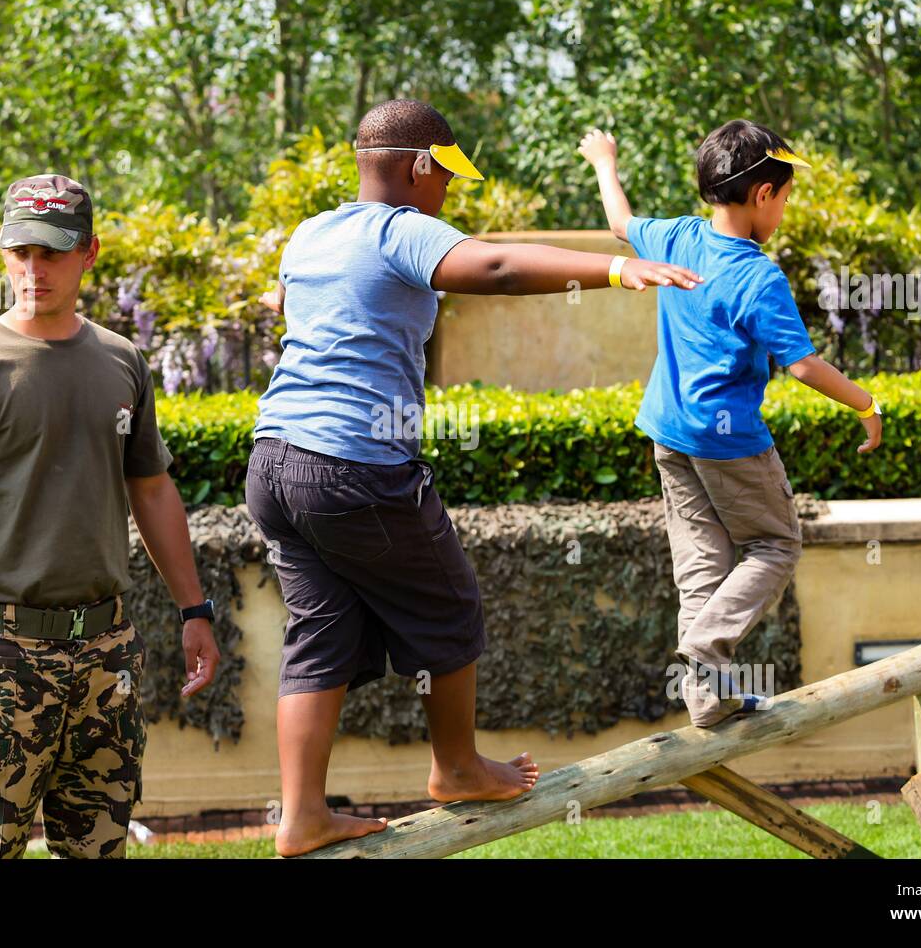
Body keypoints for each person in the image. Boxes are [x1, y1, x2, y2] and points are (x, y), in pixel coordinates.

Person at [247, 98, 703, 856]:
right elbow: (492, 265)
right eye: (446, 176)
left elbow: (292, 306)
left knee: (319, 634)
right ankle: (455, 767)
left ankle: (300, 816)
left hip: (274, 461)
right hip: (350, 463)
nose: (449, 194)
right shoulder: (403, 227)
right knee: (450, 605)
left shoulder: (312, 232)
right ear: (420, 165)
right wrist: (617, 267)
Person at [0, 174, 221, 858]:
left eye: (53, 251)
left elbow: (152, 491)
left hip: (108, 652)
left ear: (89, 253)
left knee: (98, 850)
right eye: (21, 251)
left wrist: (195, 610)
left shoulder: (123, 362)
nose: (33, 268)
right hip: (2, 657)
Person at [578, 120, 883, 728]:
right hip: (729, 443)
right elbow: (802, 366)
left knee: (703, 563)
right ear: (763, 195)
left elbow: (619, 224)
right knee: (775, 544)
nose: (785, 213)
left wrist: (604, 162)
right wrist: (867, 405)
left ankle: (707, 699)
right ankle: (705, 646)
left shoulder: (680, 237)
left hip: (669, 430)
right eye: (786, 199)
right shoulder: (758, 275)